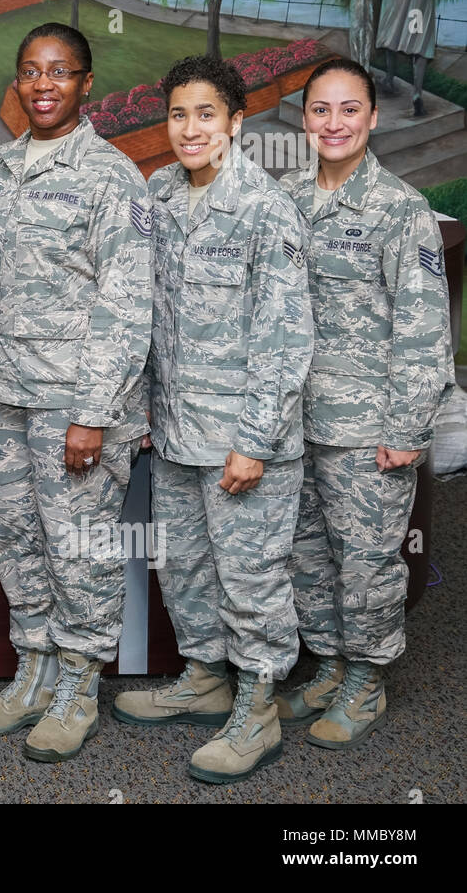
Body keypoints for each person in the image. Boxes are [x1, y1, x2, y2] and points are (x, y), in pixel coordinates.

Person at [0, 23, 152, 762]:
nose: (44, 84)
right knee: (18, 541)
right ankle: (32, 671)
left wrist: (94, 414)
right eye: (31, 71)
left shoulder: (112, 177)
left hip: (73, 406)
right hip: (0, 396)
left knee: (79, 548)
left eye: (60, 71)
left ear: (87, 82)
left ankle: (78, 686)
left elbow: (126, 306)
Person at [112, 55, 313, 784]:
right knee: (189, 569)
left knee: (252, 576)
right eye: (176, 114)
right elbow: (144, 318)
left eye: (205, 115)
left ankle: (258, 707)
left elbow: (286, 334)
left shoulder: (266, 206)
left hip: (241, 439)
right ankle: (205, 677)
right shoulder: (159, 194)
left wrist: (256, 440)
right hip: (174, 433)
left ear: (236, 123)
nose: (189, 128)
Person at [276, 58, 454, 749]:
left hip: (367, 427)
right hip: (296, 420)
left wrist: (408, 426)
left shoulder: (400, 209)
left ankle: (368, 679)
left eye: (349, 110)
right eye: (321, 109)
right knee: (308, 554)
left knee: (368, 561)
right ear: (304, 118)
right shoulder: (286, 199)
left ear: (373, 118)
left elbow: (424, 327)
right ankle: (329, 663)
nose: (334, 123)